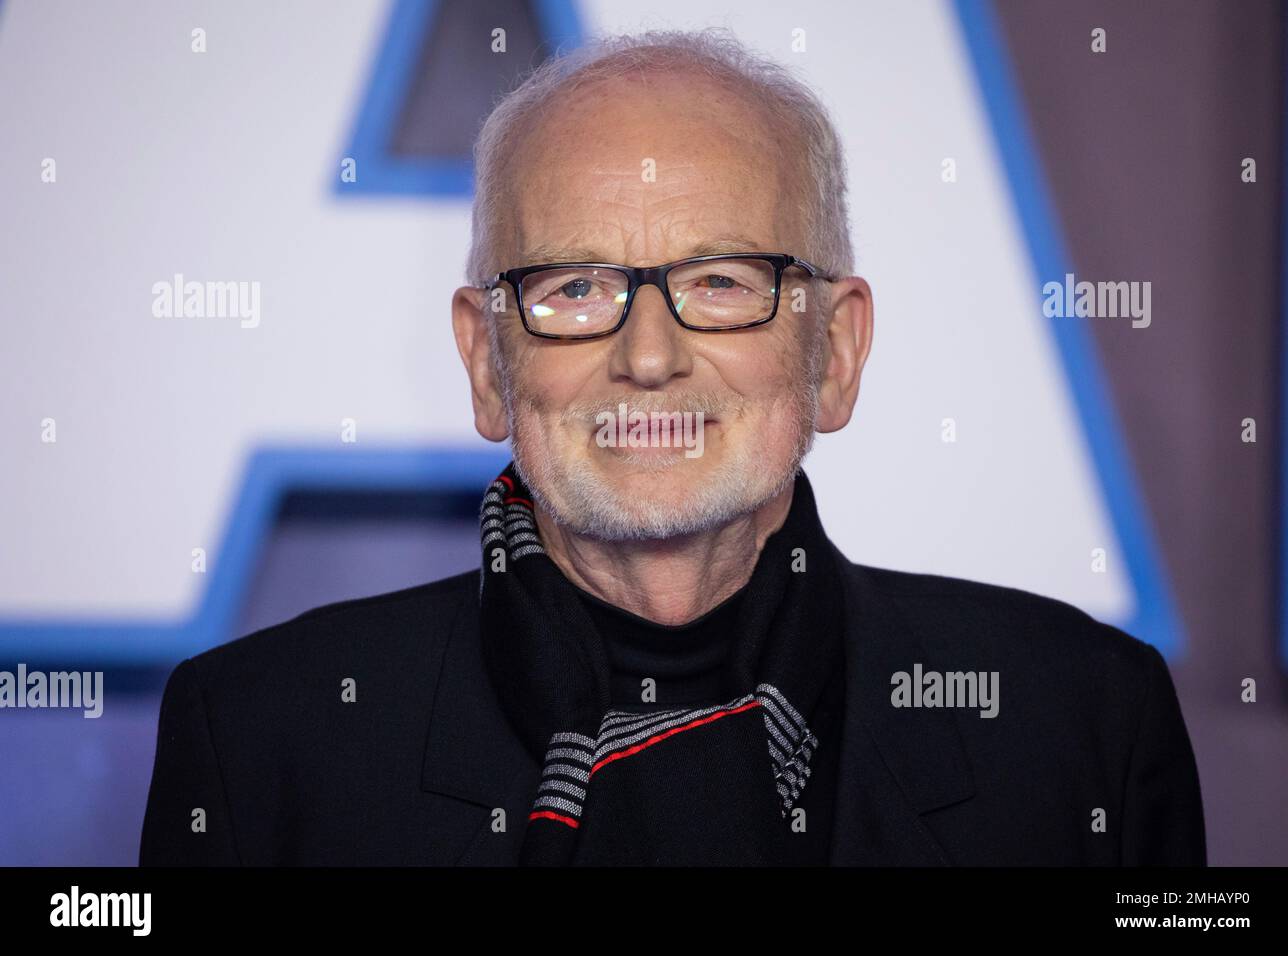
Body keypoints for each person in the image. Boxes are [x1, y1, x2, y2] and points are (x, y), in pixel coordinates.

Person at [139, 27, 1205, 866]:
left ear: (832, 351)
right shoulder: (261, 743)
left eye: (719, 282)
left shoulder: (1081, 724)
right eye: (575, 287)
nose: (647, 355)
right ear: (484, 360)